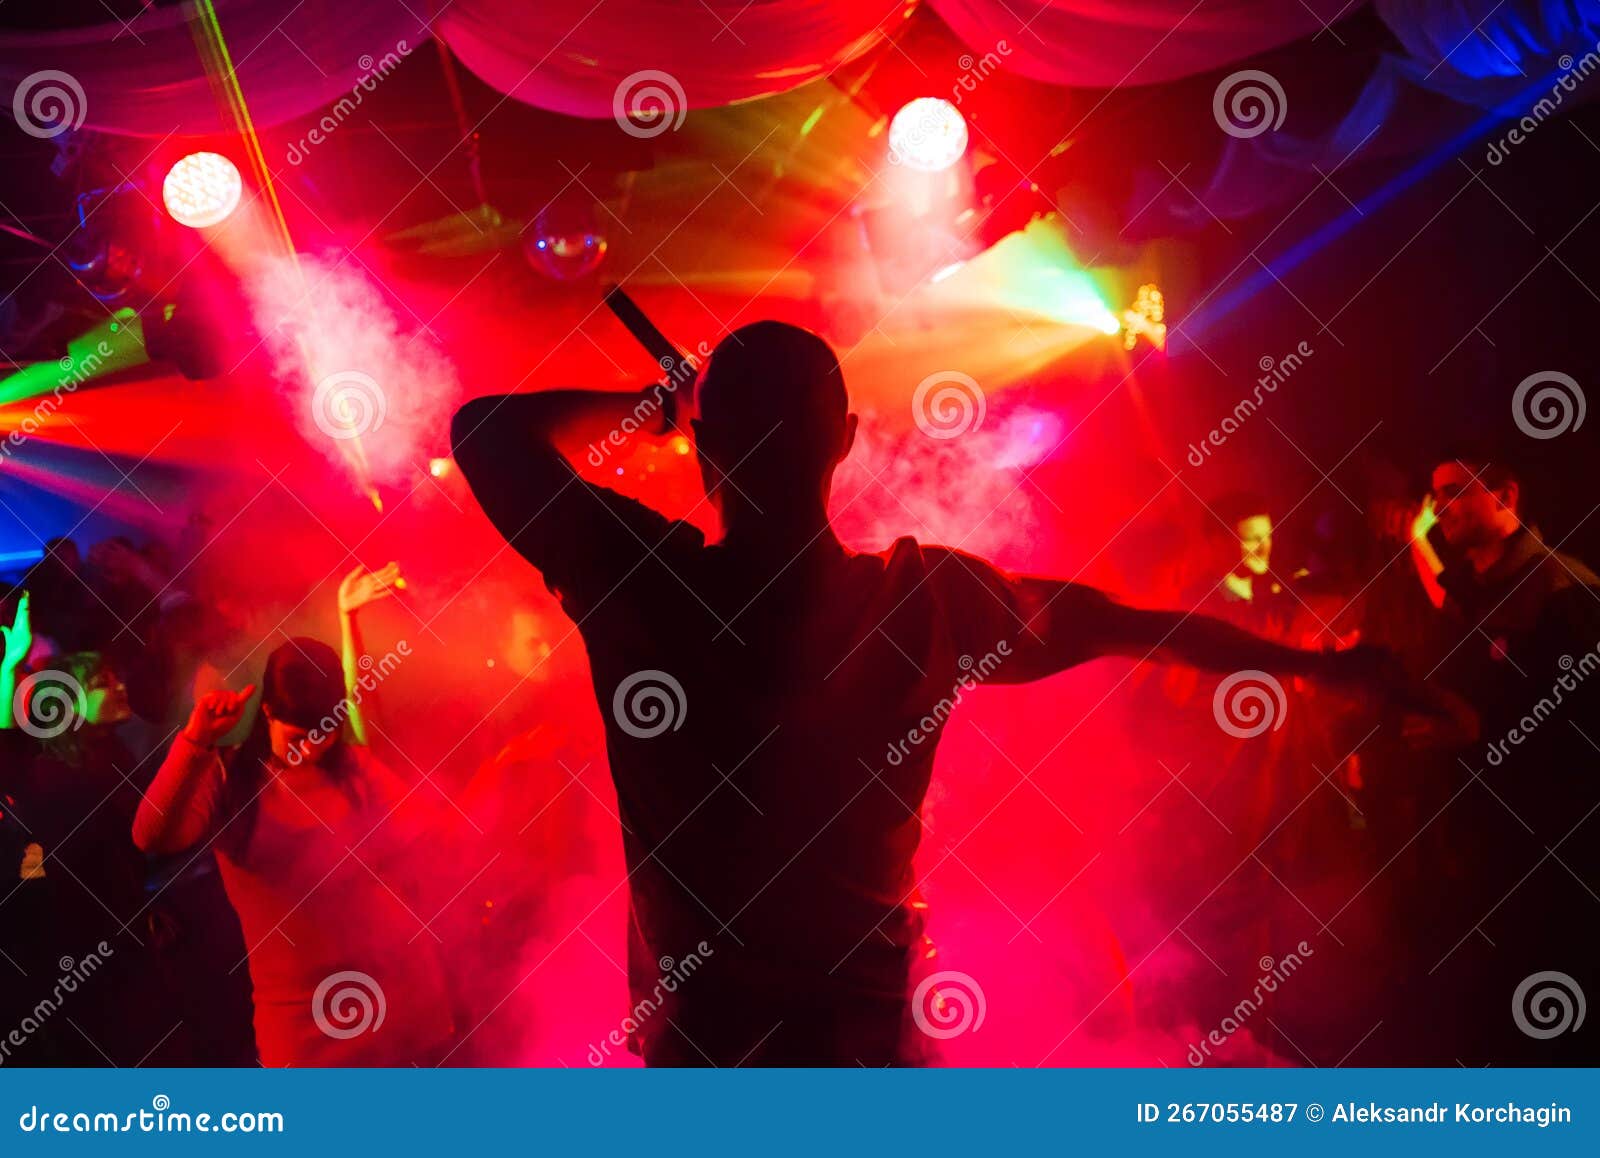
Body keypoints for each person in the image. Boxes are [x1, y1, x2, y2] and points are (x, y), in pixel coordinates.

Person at [451, 320, 1391, 1066]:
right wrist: (1322, 668)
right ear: (848, 442)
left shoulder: (641, 584)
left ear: (706, 446)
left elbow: (486, 431)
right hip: (868, 1050)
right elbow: (1123, 624)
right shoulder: (926, 599)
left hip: (705, 1057)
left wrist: (647, 405)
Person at [131, 625, 455, 1066]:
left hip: (402, 1002)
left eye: (325, 732)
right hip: (301, 1025)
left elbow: (426, 834)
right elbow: (151, 835)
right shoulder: (229, 778)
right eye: (298, 735)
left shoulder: (356, 769)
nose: (312, 746)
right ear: (266, 711)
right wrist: (195, 741)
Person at [1396, 447, 1600, 1064]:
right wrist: (1416, 540)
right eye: (1435, 495)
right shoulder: (1485, 588)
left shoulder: (1564, 589)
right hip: (1480, 845)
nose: (1441, 508)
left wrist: (1484, 727)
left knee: (1545, 1019)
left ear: (1505, 497)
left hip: (1550, 854)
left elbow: (1585, 722)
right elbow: (1447, 595)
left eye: (1455, 492)